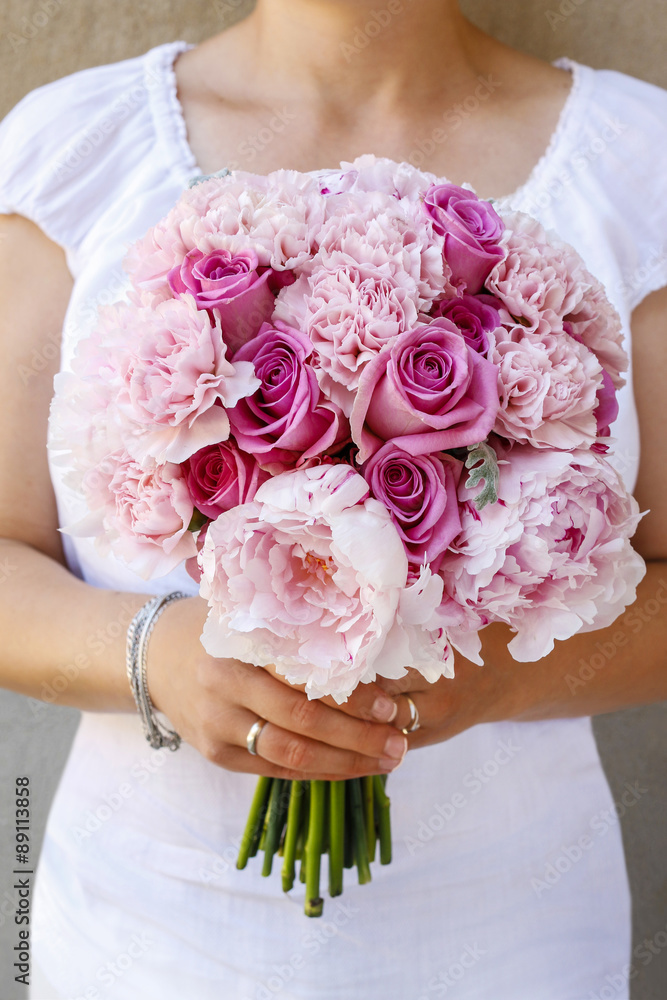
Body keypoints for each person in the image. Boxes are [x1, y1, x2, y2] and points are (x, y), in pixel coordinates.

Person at [1, 1, 666, 997]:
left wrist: (501, 680)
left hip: (510, 936)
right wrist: (156, 658)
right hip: (147, 934)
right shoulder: (74, 144)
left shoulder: (640, 157)